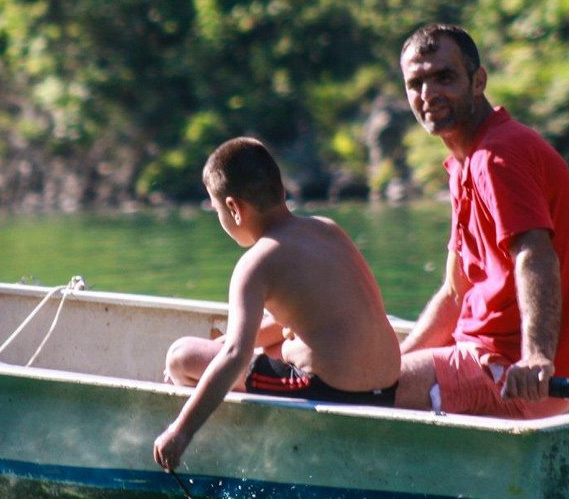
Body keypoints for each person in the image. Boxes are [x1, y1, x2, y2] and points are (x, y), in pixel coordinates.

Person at [394, 24, 569, 417]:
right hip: (482, 356)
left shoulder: (499, 156)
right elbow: (455, 291)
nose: (429, 94)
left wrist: (536, 356)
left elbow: (534, 254)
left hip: (519, 377)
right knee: (365, 374)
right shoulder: (467, 162)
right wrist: (395, 361)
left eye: (444, 78)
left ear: (478, 81)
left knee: (352, 388)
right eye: (416, 83)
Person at [153, 137, 402, 471]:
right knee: (275, 342)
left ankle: (220, 437)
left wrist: (180, 432)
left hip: (334, 392)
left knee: (181, 356)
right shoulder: (326, 229)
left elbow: (234, 357)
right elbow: (301, 319)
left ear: (233, 208)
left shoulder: (256, 263)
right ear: (281, 191)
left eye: (216, 212)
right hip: (386, 387)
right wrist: (228, 343)